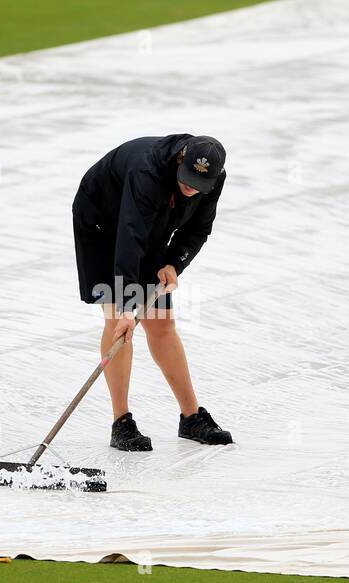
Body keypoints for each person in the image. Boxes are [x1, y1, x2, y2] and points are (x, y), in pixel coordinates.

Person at [71, 134, 234, 451]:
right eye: (186, 179)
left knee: (162, 322)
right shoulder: (148, 170)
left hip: (152, 221)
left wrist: (175, 262)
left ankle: (191, 417)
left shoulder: (214, 179)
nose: (191, 188)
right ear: (180, 160)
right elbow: (129, 235)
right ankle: (121, 422)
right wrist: (127, 308)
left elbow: (199, 227)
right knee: (118, 322)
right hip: (102, 224)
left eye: (198, 185)